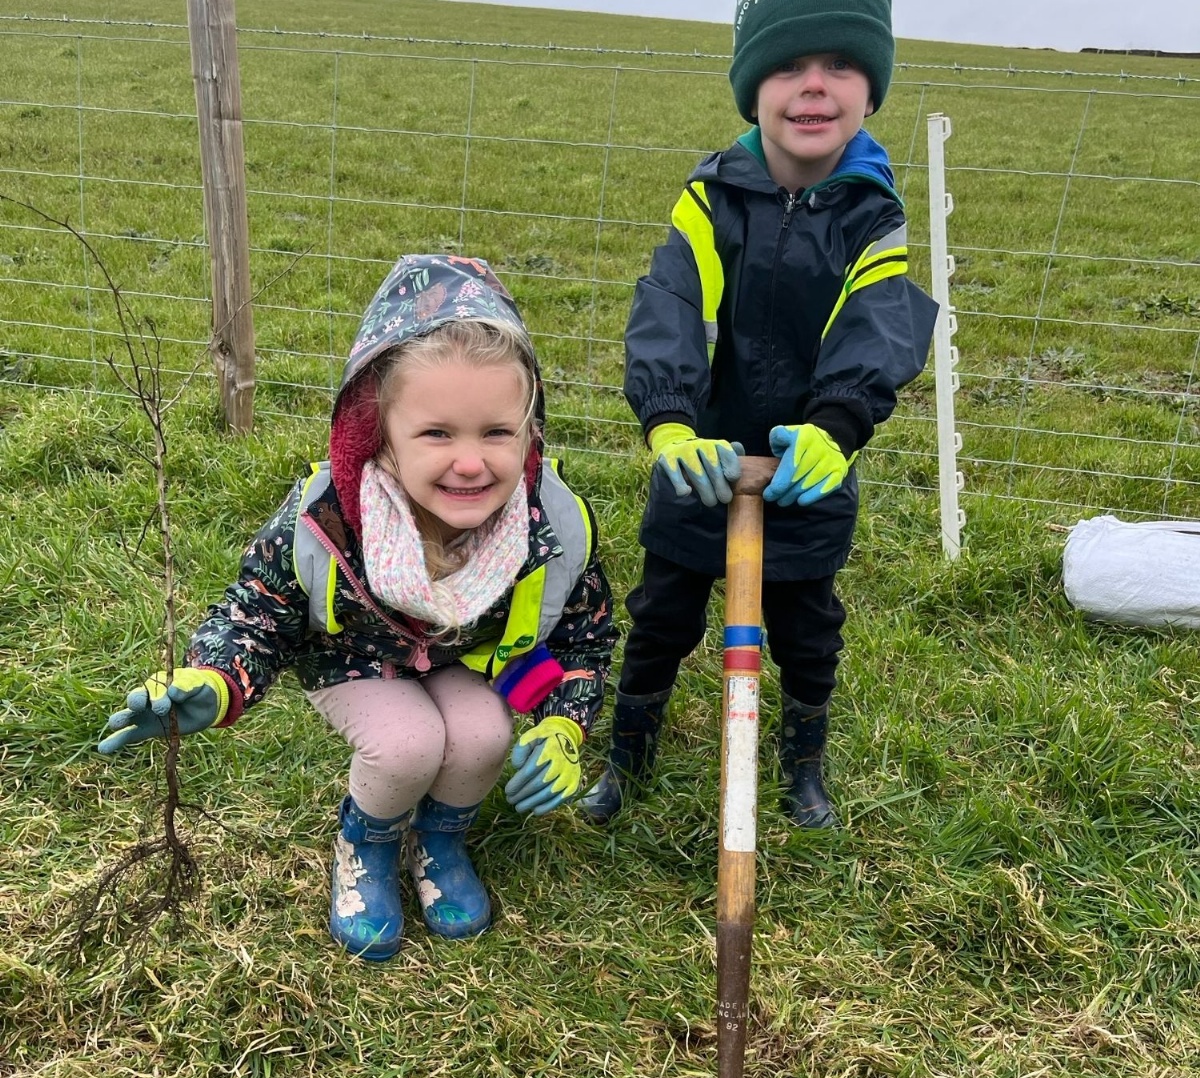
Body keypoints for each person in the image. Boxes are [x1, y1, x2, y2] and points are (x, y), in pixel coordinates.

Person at [99, 254, 616, 961]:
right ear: (378, 435)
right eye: (437, 434)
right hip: (353, 660)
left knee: (482, 733)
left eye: (497, 432)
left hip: (474, 658)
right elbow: (259, 610)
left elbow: (584, 637)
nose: (472, 462)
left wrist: (563, 724)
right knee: (407, 744)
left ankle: (439, 840)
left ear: (530, 431)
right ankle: (366, 843)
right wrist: (217, 679)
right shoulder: (330, 516)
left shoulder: (548, 522)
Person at [580, 0, 937, 830]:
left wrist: (835, 429)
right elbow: (671, 306)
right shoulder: (711, 200)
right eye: (787, 66)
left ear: (871, 91)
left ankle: (802, 765)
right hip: (701, 461)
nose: (814, 86)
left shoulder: (872, 215)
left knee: (809, 627)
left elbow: (876, 326)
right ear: (751, 90)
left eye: (840, 65)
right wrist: (670, 422)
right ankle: (627, 756)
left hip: (807, 465)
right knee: (661, 616)